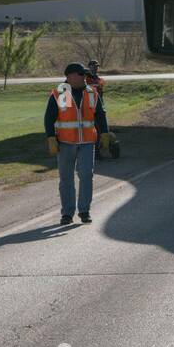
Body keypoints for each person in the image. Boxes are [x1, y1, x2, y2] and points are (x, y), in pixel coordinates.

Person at [45, 62, 110, 225]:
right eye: (82, 75)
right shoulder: (62, 94)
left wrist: (104, 133)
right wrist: (51, 137)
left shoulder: (91, 92)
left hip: (87, 142)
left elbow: (100, 115)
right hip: (65, 143)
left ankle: (84, 211)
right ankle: (67, 213)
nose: (85, 78)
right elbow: (49, 117)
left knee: (87, 176)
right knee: (66, 179)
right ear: (71, 76)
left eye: (85, 75)